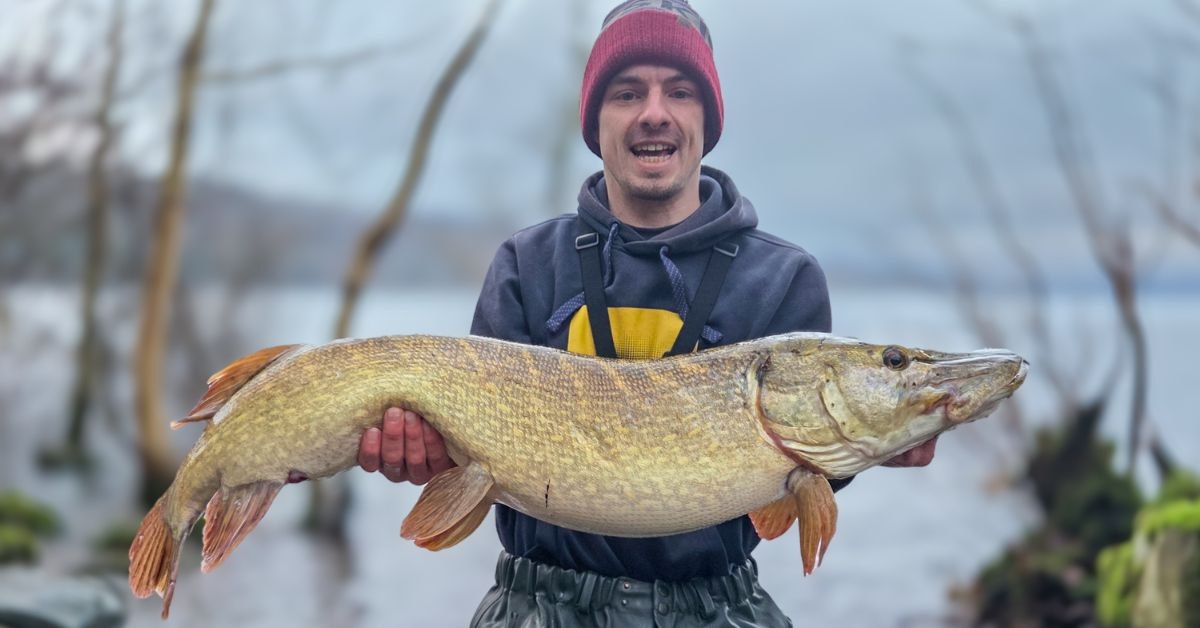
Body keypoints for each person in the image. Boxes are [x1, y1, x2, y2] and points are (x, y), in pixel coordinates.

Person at [357, 1, 937, 625]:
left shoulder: (784, 279)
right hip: (538, 607)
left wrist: (870, 445)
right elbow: (473, 454)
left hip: (714, 606)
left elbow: (796, 472)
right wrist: (419, 451)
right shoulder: (527, 263)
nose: (653, 113)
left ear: (706, 120)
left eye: (680, 92)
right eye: (628, 92)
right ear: (596, 122)